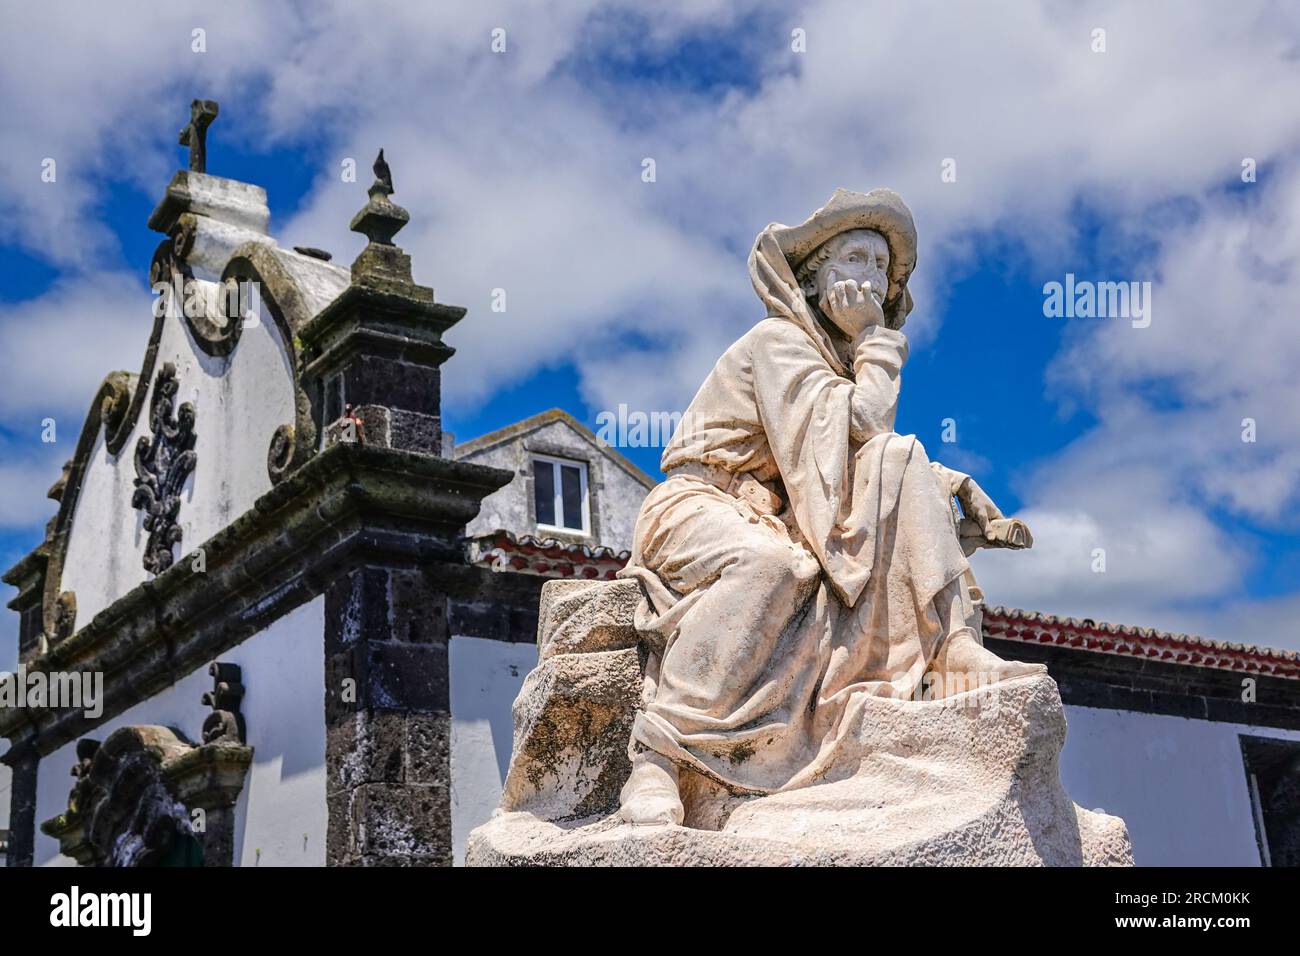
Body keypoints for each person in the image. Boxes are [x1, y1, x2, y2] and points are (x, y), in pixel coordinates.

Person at [616, 188, 1044, 826]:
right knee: (774, 569)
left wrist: (950, 487)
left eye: (879, 267)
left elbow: (860, 455)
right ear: (814, 278)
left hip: (774, 514)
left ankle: (949, 644)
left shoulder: (830, 368)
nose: (869, 278)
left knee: (900, 459)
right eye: (853, 260)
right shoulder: (778, 343)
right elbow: (862, 423)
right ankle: (656, 759)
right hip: (699, 503)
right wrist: (874, 339)